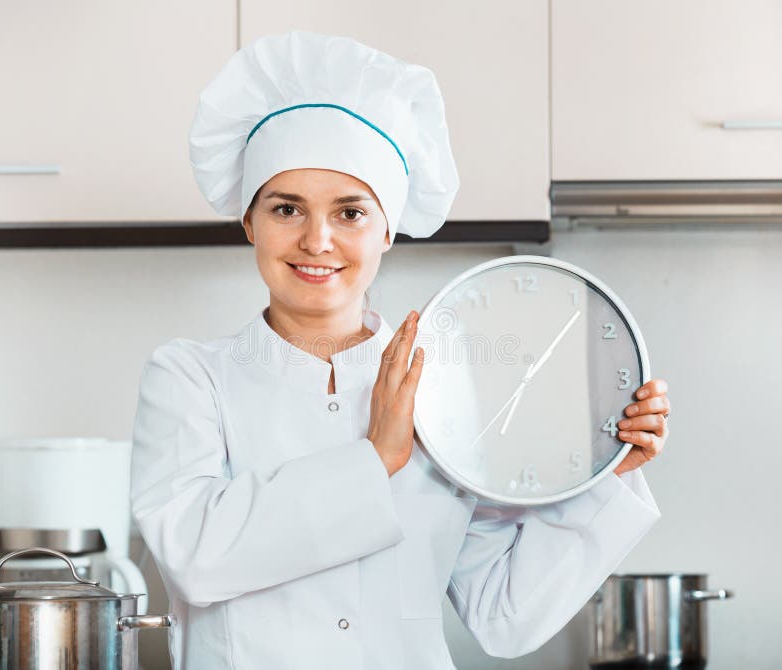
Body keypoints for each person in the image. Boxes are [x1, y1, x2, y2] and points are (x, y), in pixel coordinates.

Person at [130, 30, 671, 670]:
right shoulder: (191, 378)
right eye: (286, 208)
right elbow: (196, 555)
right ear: (249, 221)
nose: (317, 239)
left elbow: (503, 614)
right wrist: (376, 458)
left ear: (389, 227)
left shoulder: (447, 389)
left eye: (351, 212)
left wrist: (603, 475)